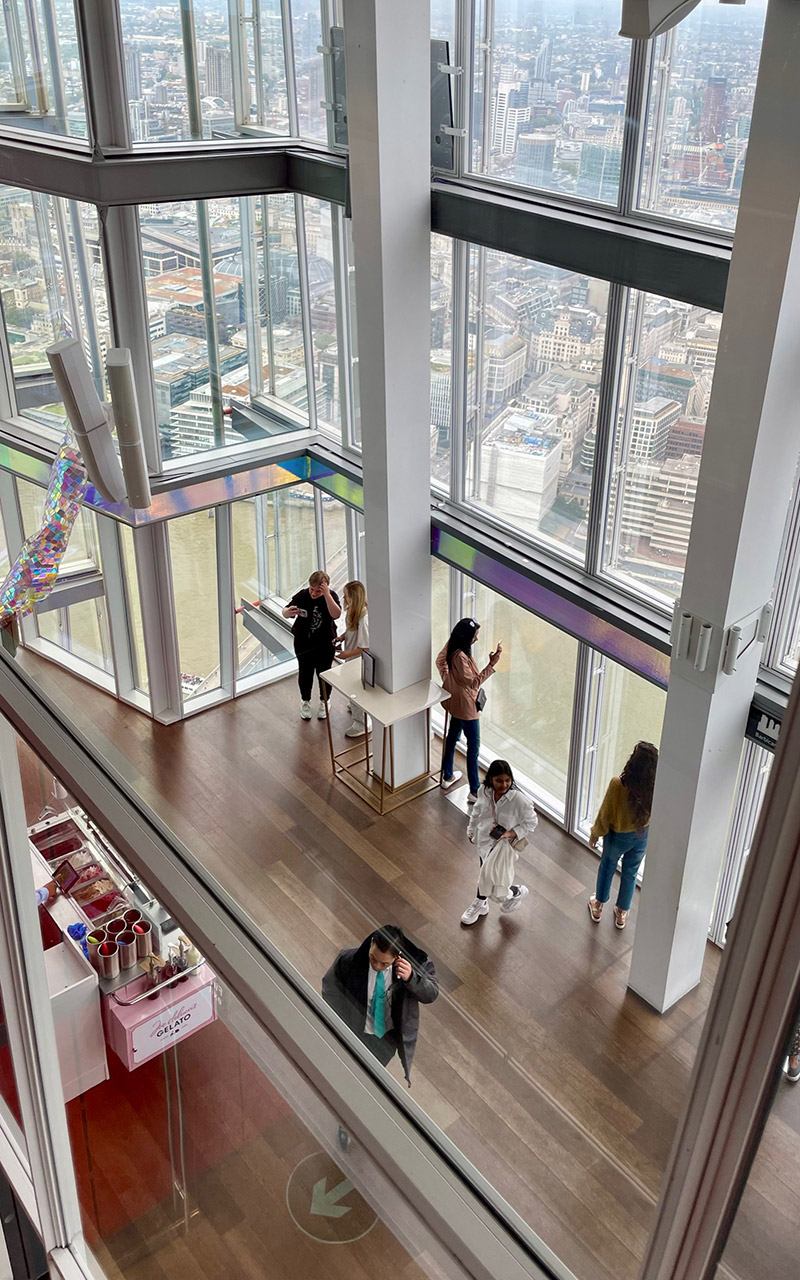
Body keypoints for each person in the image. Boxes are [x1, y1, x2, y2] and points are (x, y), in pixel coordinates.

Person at [321, 924, 438, 1086]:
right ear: (371, 944)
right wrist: (340, 1024)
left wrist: (412, 978)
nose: (376, 966)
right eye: (373, 958)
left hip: (384, 1041)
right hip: (351, 1029)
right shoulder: (348, 960)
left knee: (363, 1081)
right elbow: (330, 991)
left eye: (384, 964)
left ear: (397, 957)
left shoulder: (416, 967)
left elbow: (431, 993)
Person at [587, 741, 659, 931]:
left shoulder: (618, 784)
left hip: (617, 836)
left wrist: (595, 834)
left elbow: (606, 813)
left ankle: (598, 906)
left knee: (607, 867)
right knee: (630, 872)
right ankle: (621, 913)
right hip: (643, 835)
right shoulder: (657, 787)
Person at [461, 760, 537, 925]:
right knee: (487, 876)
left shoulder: (519, 800)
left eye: (507, 780)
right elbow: (477, 811)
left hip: (501, 847)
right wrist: (471, 829)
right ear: (491, 779)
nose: (504, 784)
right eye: (499, 781)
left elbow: (532, 822)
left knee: (488, 877)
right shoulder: (484, 791)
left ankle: (484, 902)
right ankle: (487, 901)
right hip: (484, 841)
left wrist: (511, 833)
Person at [436, 618, 502, 803]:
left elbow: (440, 661)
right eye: (475, 635)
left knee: (452, 738)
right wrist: (491, 665)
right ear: (466, 637)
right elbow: (473, 682)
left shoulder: (453, 650)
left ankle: (447, 775)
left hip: (455, 703)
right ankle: (475, 790)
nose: (477, 639)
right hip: (466, 707)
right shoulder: (460, 656)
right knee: (473, 747)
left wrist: (449, 681)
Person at [282, 570, 341, 720]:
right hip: (303, 643)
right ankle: (305, 701)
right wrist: (289, 612)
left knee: (325, 673)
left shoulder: (331, 596)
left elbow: (336, 614)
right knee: (305, 673)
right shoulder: (302, 595)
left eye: (318, 591)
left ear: (326, 588)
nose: (314, 593)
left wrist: (326, 595)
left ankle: (325, 701)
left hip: (325, 644)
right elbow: (285, 611)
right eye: (312, 589)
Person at [337, 580, 369, 739]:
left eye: (346, 595)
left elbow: (365, 648)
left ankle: (361, 723)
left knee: (355, 690)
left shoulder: (364, 618)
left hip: (357, 662)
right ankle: (355, 708)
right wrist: (342, 637)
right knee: (352, 690)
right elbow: (351, 632)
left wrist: (346, 655)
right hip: (351, 658)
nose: (344, 598)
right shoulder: (353, 612)